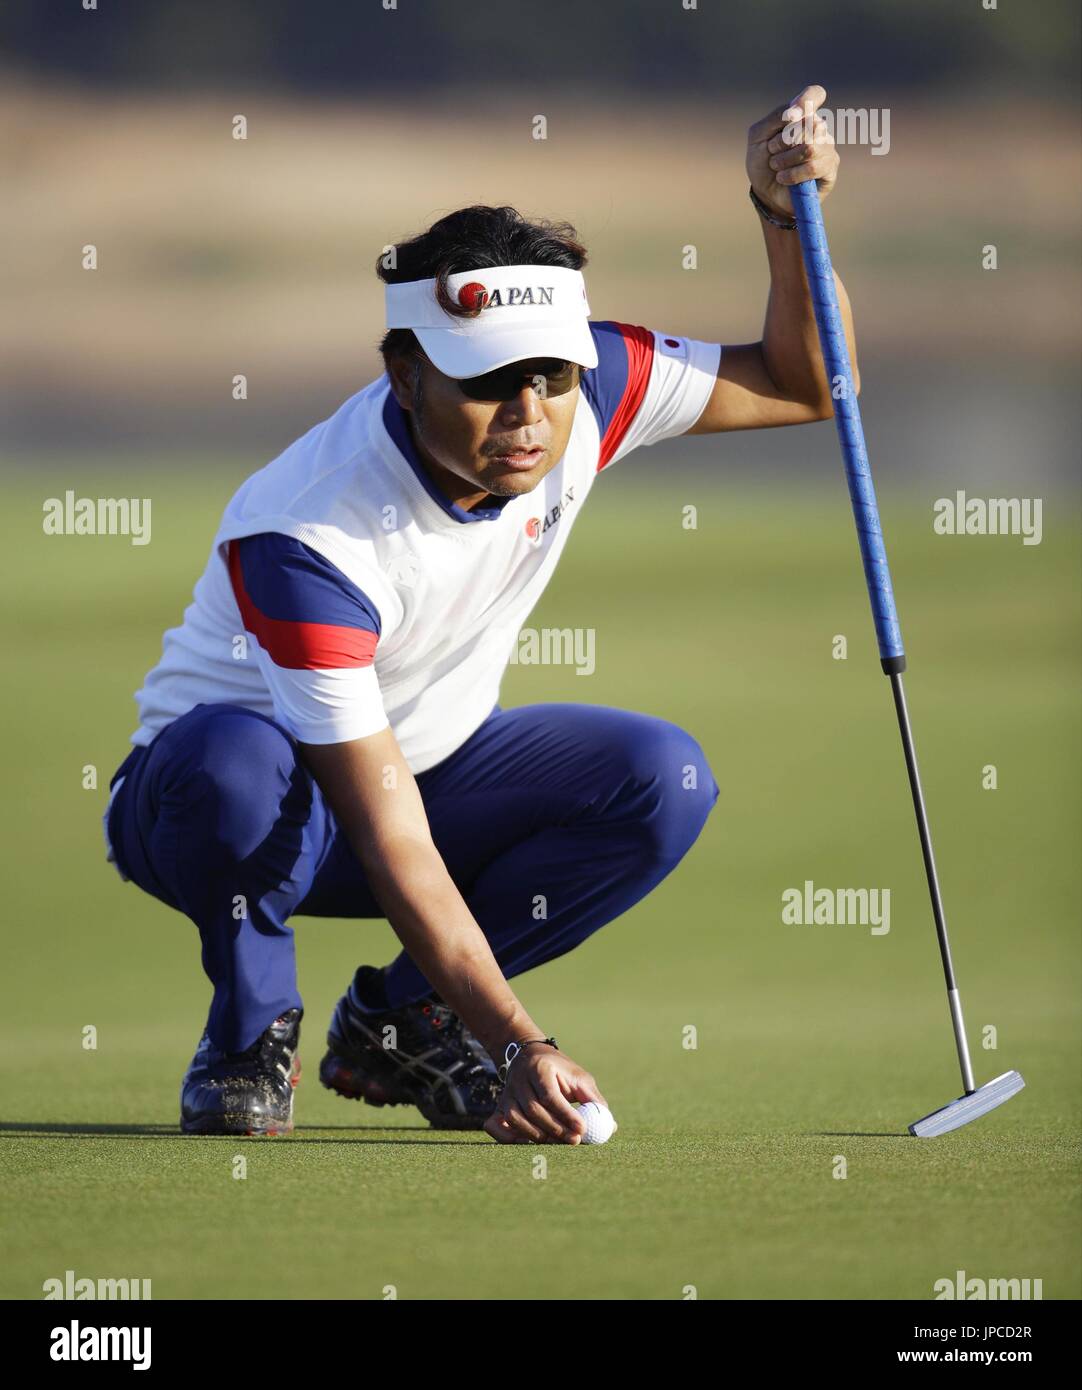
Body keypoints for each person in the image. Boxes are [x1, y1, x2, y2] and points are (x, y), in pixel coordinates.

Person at [102, 86, 853, 1144]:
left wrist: (783, 211)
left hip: (427, 780)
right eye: (487, 383)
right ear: (403, 375)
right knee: (238, 768)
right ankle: (249, 1026)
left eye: (549, 377)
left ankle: (402, 1018)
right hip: (228, 813)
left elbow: (805, 382)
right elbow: (387, 833)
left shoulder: (592, 390)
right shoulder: (310, 539)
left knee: (658, 777)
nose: (529, 415)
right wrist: (516, 1040)